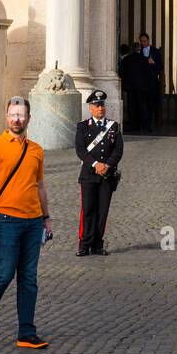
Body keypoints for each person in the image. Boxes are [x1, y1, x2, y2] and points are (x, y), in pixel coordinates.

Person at [0, 95, 51, 350]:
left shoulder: (37, 149)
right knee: (4, 274)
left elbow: (39, 185)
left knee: (28, 278)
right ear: (7, 117)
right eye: (13, 114)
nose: (17, 119)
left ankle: (26, 332)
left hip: (33, 221)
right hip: (5, 219)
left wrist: (46, 218)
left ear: (29, 118)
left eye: (21, 115)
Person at [75, 91, 124, 257]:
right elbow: (80, 150)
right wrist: (96, 164)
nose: (100, 108)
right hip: (89, 173)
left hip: (106, 175)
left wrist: (107, 165)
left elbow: (118, 150)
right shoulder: (83, 127)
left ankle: (97, 244)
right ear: (90, 108)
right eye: (96, 105)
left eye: (102, 105)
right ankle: (84, 244)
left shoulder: (113, 127)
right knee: (87, 209)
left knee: (102, 211)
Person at [138, 31, 163, 133]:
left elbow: (160, 67)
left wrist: (153, 63)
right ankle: (142, 124)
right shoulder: (139, 52)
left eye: (144, 41)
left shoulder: (156, 52)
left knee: (151, 104)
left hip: (152, 83)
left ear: (148, 40)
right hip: (142, 83)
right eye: (141, 41)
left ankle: (149, 125)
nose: (143, 43)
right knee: (142, 104)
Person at [119, 39, 144, 132]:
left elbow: (121, 72)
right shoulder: (143, 59)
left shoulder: (126, 59)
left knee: (131, 106)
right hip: (141, 87)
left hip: (130, 87)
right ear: (139, 49)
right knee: (140, 105)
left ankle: (132, 123)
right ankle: (139, 124)